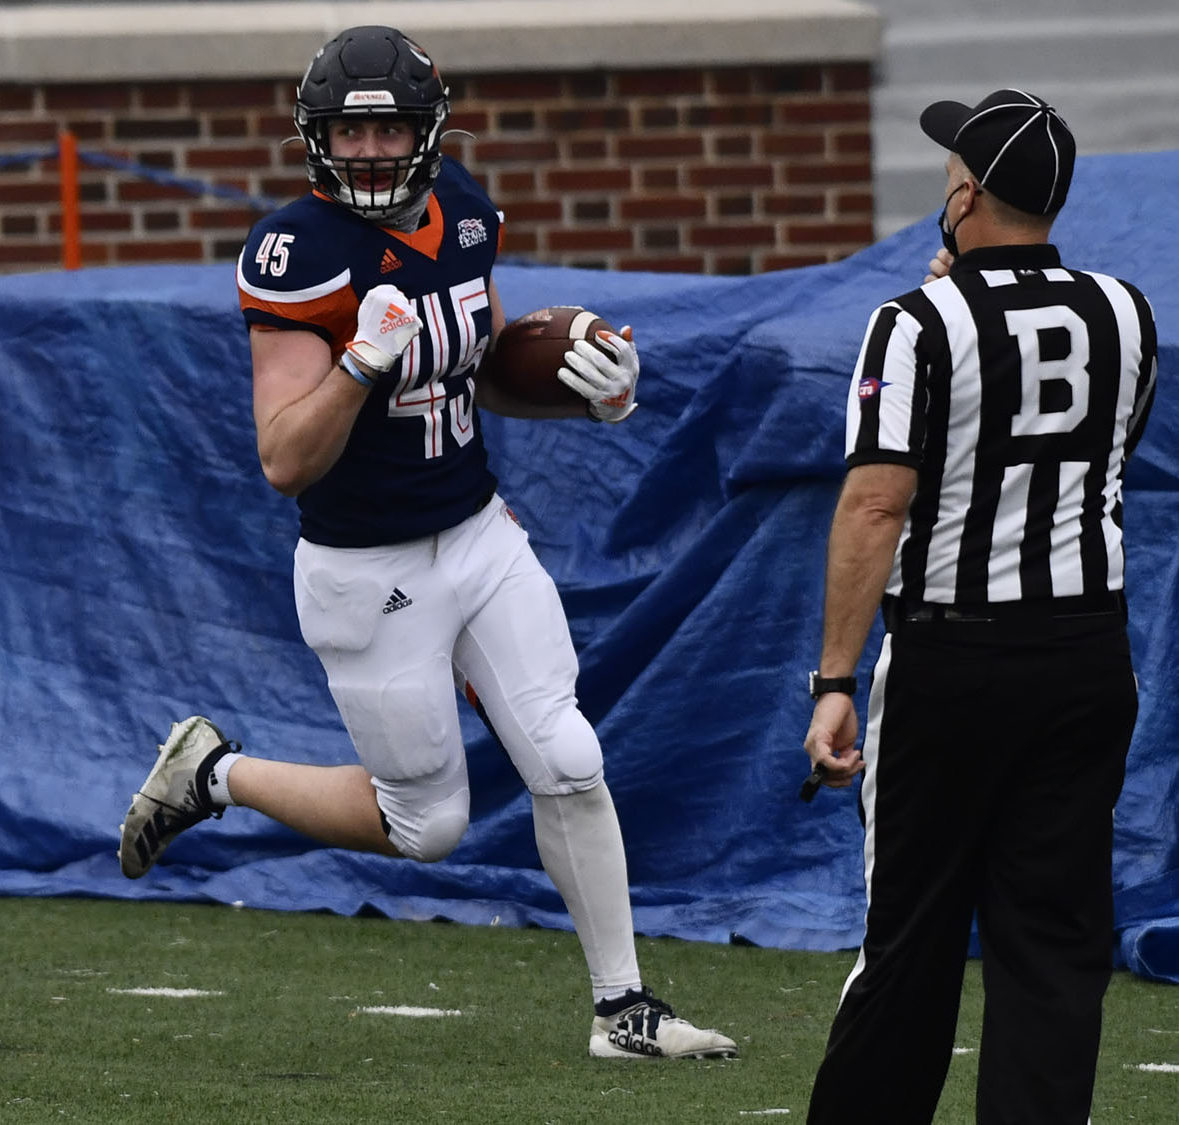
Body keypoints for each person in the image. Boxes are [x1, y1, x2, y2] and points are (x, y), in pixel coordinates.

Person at [116, 24, 736, 1062]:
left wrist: (590, 394)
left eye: (386, 129)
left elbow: (480, 367)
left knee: (567, 757)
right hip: (368, 570)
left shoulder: (466, 216)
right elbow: (283, 459)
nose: (364, 153)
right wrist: (357, 366)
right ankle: (215, 772)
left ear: (426, 128)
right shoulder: (294, 254)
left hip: (477, 534)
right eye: (345, 135)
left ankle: (621, 1010)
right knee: (427, 826)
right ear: (314, 139)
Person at [799, 89, 1157, 1123]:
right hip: (1086, 650)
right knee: (1050, 942)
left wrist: (832, 678)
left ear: (967, 191)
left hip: (954, 658)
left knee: (907, 938)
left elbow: (875, 504)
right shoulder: (1124, 311)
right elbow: (1103, 459)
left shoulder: (913, 323)